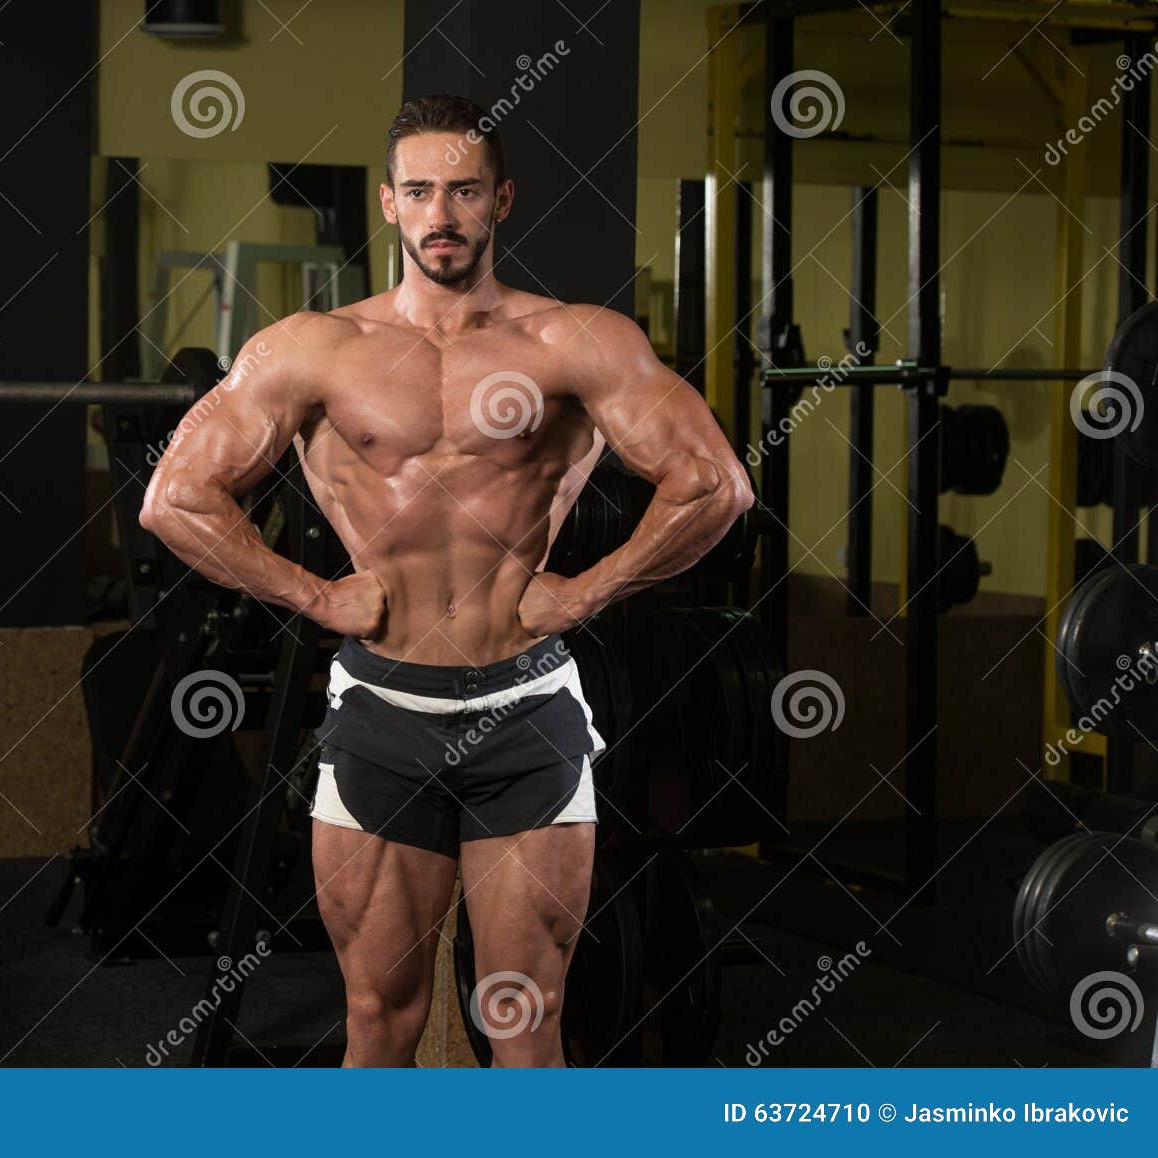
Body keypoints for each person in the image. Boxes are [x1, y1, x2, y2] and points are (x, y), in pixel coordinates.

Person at [140, 93, 752, 1066]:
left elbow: (714, 484)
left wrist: (585, 591)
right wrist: (312, 594)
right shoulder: (315, 348)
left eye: (463, 190)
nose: (441, 214)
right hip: (383, 712)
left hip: (524, 710)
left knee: (525, 1022)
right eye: (419, 191)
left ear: (500, 200)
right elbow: (175, 498)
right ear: (388, 205)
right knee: (378, 1022)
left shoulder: (572, 342)